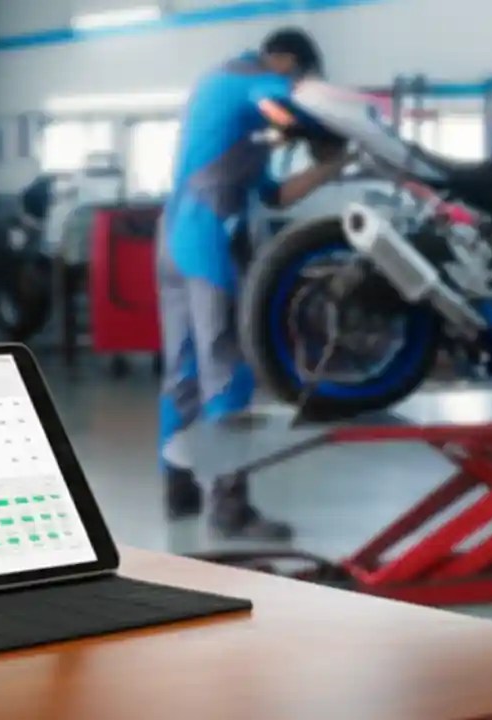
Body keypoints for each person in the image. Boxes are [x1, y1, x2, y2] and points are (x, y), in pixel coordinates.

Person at [157, 28, 351, 538]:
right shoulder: (251, 77)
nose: (297, 86)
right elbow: (293, 107)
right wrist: (334, 122)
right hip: (208, 235)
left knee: (183, 370)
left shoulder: (231, 103)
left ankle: (178, 488)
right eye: (300, 77)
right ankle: (230, 506)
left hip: (176, 237)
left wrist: (332, 166)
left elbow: (276, 194)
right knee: (228, 368)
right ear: (285, 59)